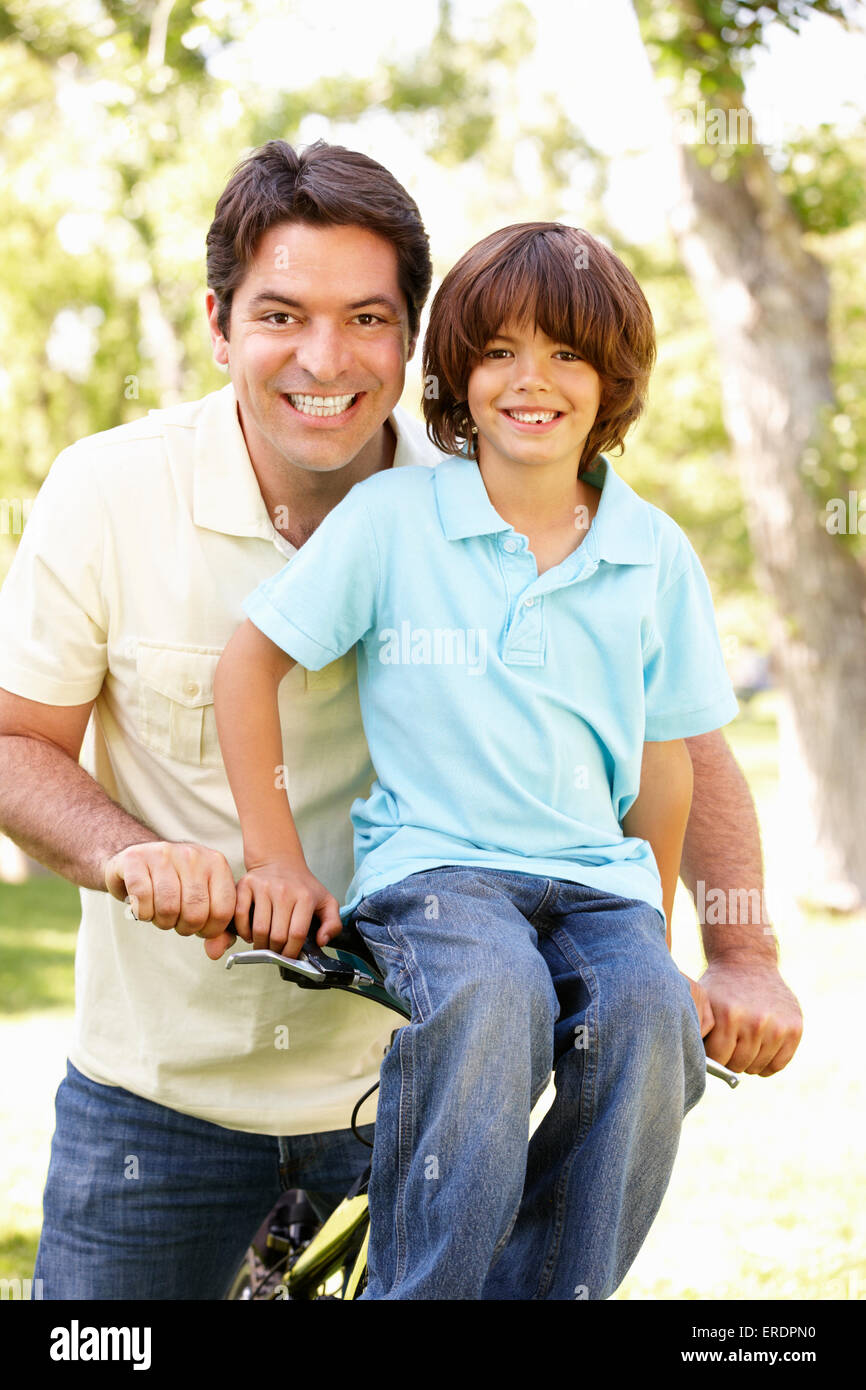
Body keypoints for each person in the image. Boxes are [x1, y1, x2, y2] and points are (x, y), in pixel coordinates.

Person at [0, 141, 801, 1302]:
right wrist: (137, 853)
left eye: (366, 317)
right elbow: (17, 740)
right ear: (219, 323)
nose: (323, 359)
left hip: (418, 1082)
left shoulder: (493, 479)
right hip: (165, 1091)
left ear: (413, 336)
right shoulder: (107, 491)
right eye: (280, 314)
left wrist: (743, 957)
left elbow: (670, 736)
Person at [212, 222, 774, 1299]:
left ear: (611, 381)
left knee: (651, 1019)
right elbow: (247, 667)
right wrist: (274, 857)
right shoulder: (393, 517)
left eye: (567, 353)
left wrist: (648, 930)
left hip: (593, 883)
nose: (533, 380)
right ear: (455, 375)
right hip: (438, 873)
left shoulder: (651, 551)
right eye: (500, 350)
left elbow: (666, 763)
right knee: (497, 988)